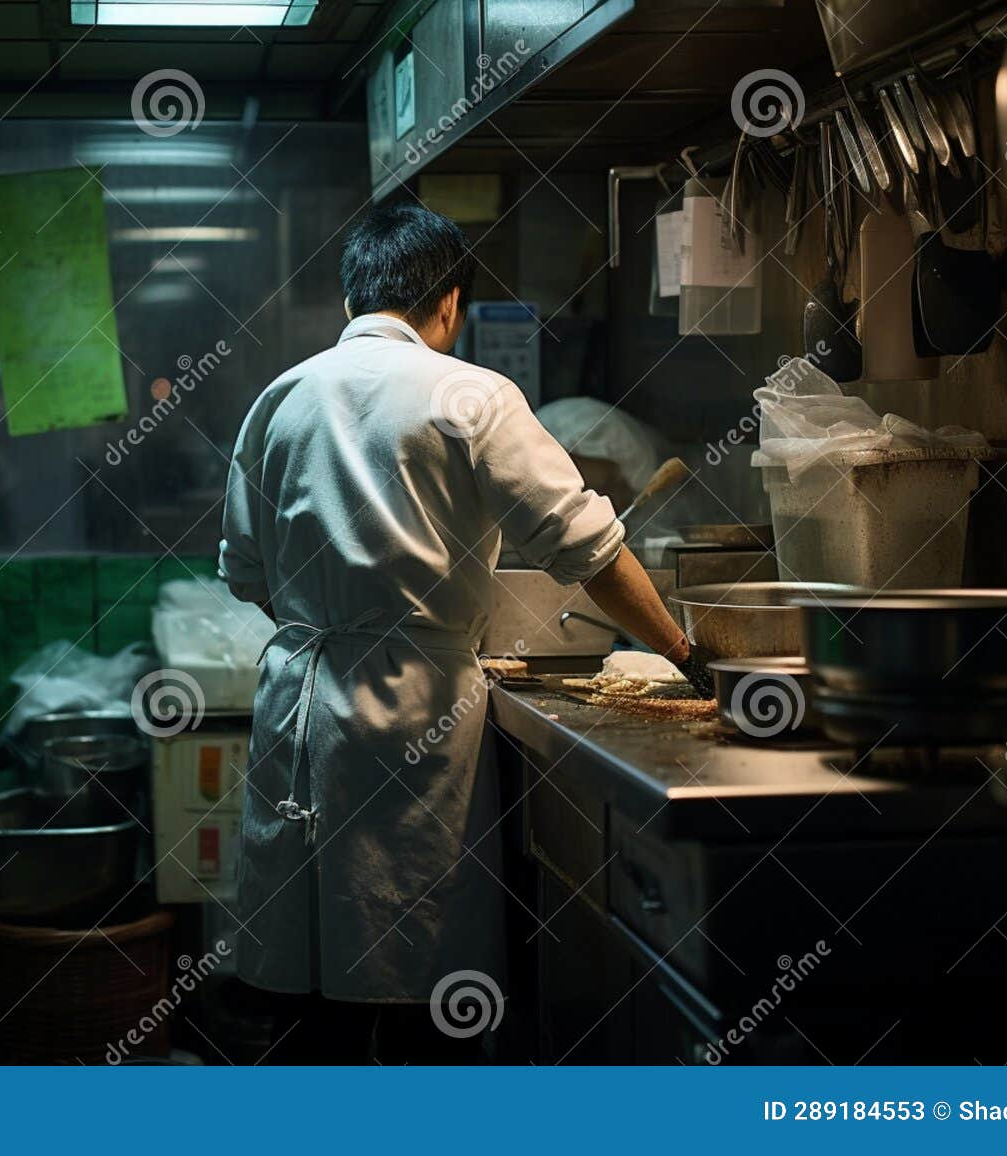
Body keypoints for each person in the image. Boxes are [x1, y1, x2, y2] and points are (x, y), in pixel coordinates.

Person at [217, 201, 707, 1063]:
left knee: (306, 985)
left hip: (298, 703)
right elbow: (586, 544)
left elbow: (246, 575)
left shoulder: (279, 401)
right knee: (417, 981)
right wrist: (680, 649)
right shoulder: (471, 394)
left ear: (349, 305)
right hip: (418, 712)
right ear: (447, 304)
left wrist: (340, 616)